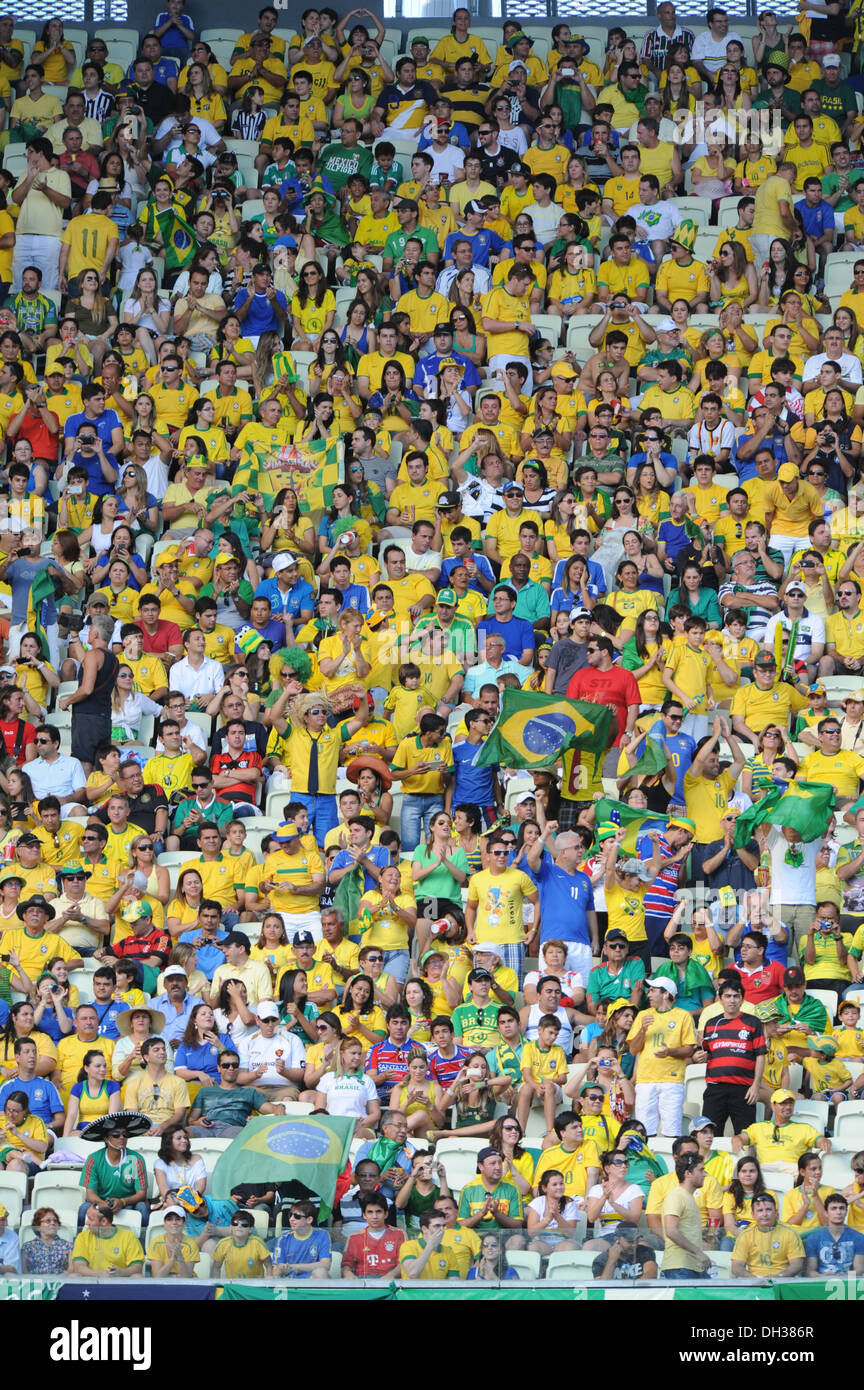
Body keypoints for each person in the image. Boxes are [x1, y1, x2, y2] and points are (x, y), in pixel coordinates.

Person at [661, 1153, 712, 1279]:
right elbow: (671, 1231)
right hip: (679, 1267)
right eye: (701, 1170)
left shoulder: (687, 1197)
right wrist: (698, 1252)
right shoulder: (676, 1196)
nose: (705, 1174)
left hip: (692, 1266)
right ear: (687, 1173)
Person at [731, 1192, 805, 1277]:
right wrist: (754, 1279)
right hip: (754, 1283)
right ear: (753, 1214)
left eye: (768, 1209)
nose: (764, 1214)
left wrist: (779, 1276)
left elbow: (797, 1265)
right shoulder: (745, 1235)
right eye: (760, 1210)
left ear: (776, 1212)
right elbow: (736, 1266)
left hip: (782, 1281)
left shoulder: (790, 1233)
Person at [70, 1202, 145, 1278]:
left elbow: (137, 1266)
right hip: (91, 1281)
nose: (86, 1223)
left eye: (90, 1219)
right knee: (74, 1276)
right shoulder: (82, 1237)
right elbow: (78, 1266)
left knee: (137, 1276)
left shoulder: (128, 1236)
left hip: (120, 1281)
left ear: (104, 1221)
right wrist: (100, 1274)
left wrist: (121, 1272)